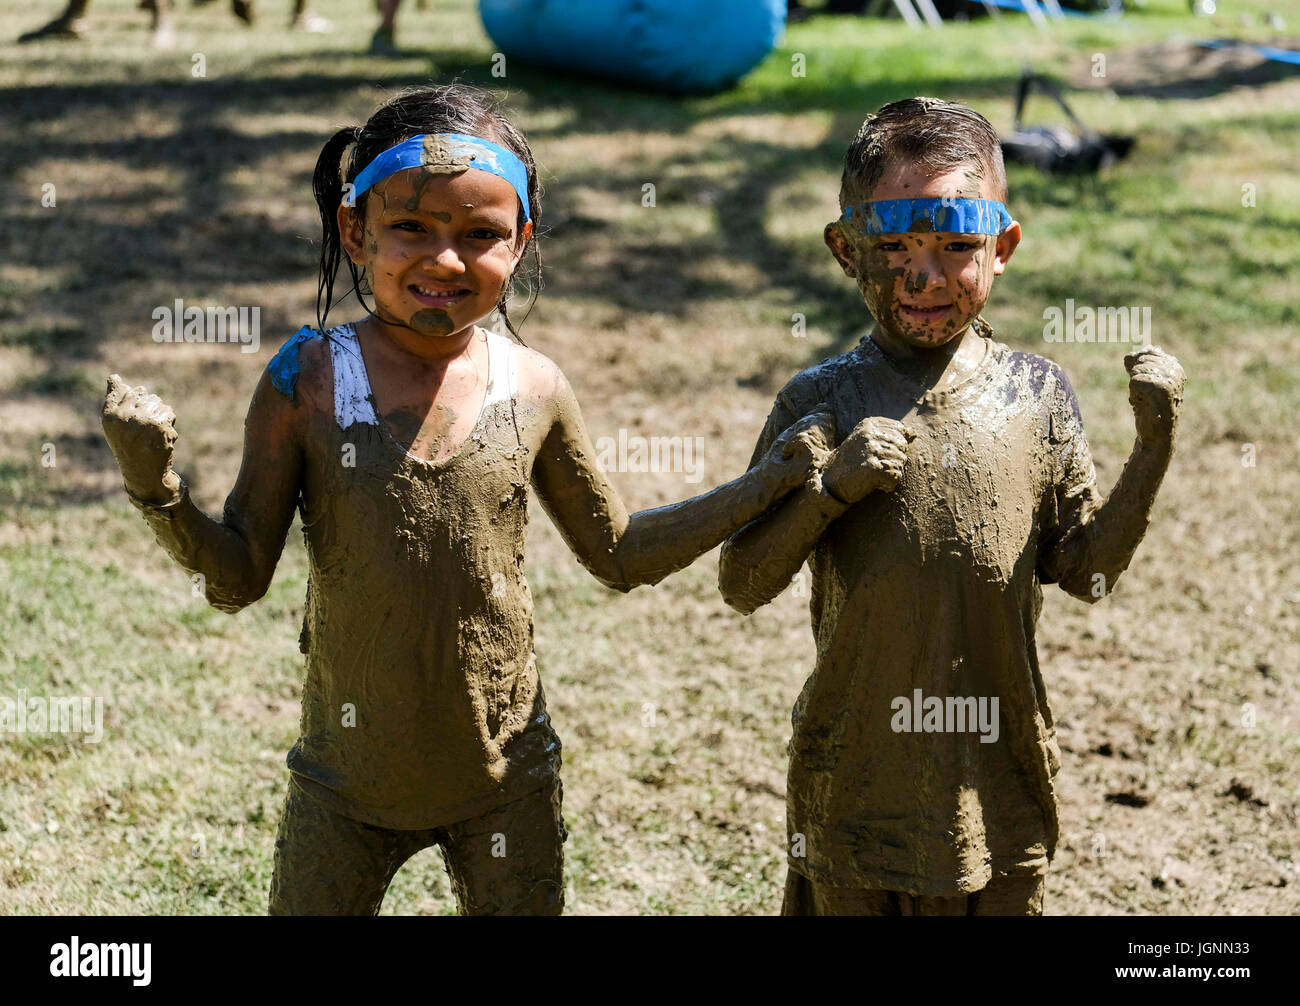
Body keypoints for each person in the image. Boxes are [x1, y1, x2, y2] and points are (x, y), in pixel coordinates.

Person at [101, 83, 830, 915]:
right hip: (345, 782)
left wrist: (762, 486)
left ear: (519, 245)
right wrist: (154, 487)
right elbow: (238, 577)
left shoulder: (534, 386)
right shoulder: (306, 383)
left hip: (503, 777)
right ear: (355, 230)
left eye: (479, 235)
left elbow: (619, 555)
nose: (444, 262)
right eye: (411, 227)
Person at [718, 97, 1185, 916]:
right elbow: (744, 580)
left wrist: (1151, 450)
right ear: (844, 248)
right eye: (892, 245)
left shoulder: (1037, 396)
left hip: (997, 779)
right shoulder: (819, 401)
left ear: (1002, 247)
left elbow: (1085, 570)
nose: (924, 275)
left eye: (956, 246)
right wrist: (828, 492)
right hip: (855, 777)